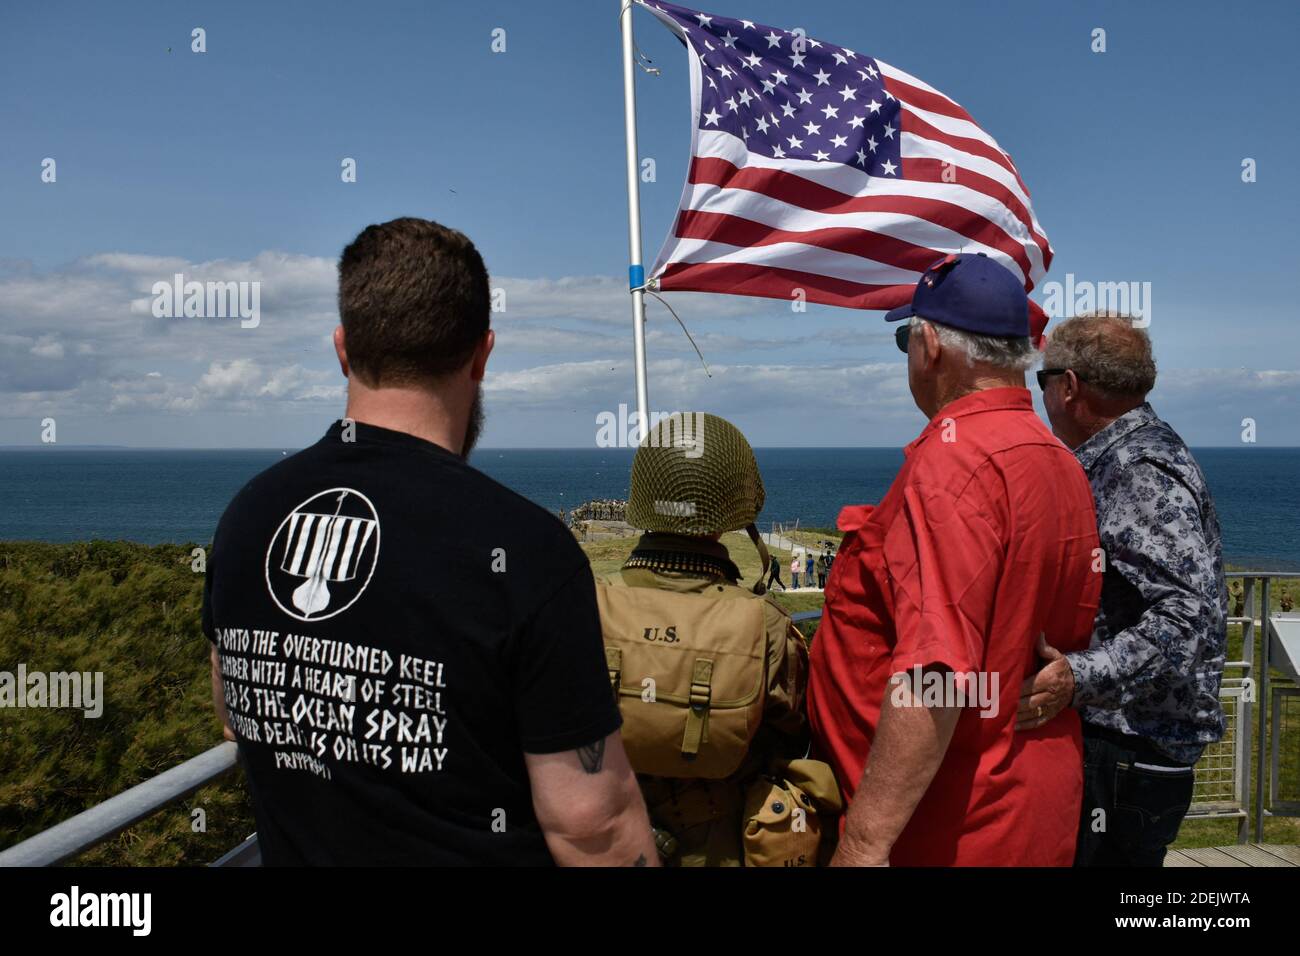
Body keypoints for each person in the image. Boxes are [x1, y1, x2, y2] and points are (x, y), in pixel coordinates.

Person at [203, 217, 656, 866]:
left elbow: (233, 711)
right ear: (482, 354)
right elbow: (594, 826)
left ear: (342, 349)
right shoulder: (527, 551)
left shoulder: (247, 516)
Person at [807, 252, 1102, 866]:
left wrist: (862, 847)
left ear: (931, 345)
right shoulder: (1058, 460)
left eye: (905, 339)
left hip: (951, 826)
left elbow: (934, 677)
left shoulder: (953, 465)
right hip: (1033, 809)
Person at [1022, 312, 1228, 867]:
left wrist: (1077, 675)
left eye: (1042, 380)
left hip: (1127, 751)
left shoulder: (1136, 466)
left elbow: (1187, 613)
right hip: (1126, 749)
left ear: (1069, 386)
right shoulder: (1130, 454)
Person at [596, 412, 836, 865]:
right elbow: (795, 736)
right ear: (736, 508)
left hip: (603, 843)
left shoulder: (586, 603)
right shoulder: (765, 624)